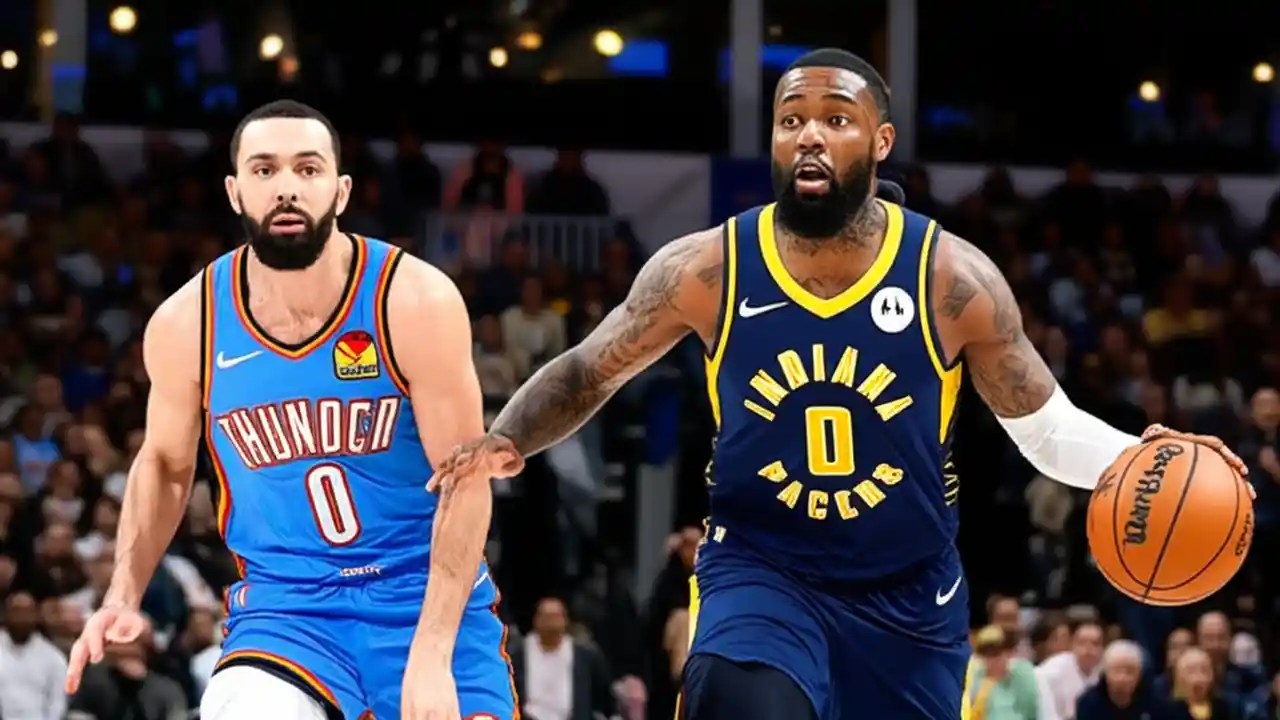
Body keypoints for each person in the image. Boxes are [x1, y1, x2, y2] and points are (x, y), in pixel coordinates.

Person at [430, 49, 1245, 720]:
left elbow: (1044, 428)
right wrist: (507, 437)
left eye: (835, 120)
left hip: (908, 597)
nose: (809, 137)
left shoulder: (950, 279)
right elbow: (589, 367)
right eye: (792, 122)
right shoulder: (708, 268)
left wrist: (1140, 454)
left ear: (881, 141)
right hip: (761, 568)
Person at [62, 100, 514, 720]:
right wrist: (123, 590)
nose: (286, 189)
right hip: (288, 614)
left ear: (341, 190)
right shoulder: (186, 322)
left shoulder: (414, 299)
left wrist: (432, 656)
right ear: (234, 190)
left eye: (307, 169)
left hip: (426, 599)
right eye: (265, 170)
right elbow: (166, 465)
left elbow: (466, 481)